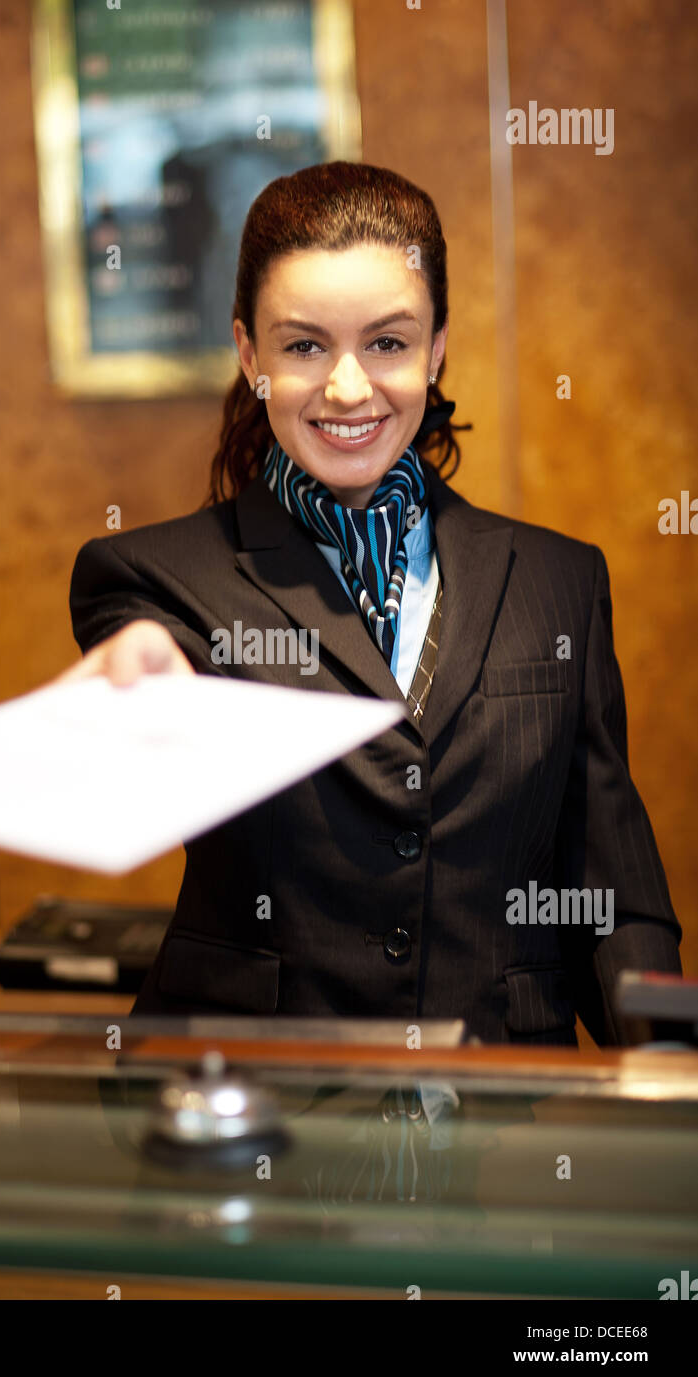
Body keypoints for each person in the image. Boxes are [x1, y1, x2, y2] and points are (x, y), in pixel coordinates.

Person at [60, 161, 681, 1045]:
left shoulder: (559, 583)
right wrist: (144, 686)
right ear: (249, 355)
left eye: (387, 343)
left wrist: (662, 1068)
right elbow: (150, 695)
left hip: (502, 1101)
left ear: (436, 349)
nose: (347, 388)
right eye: (303, 346)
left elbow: (608, 895)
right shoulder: (151, 575)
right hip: (256, 1094)